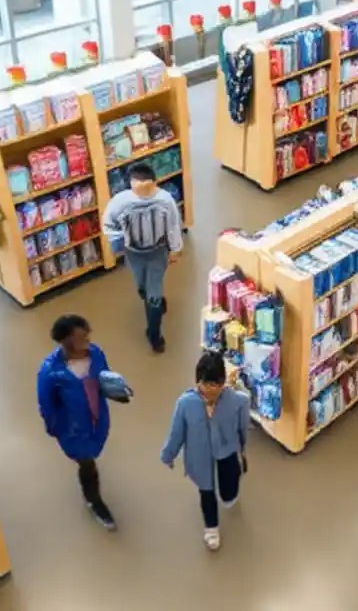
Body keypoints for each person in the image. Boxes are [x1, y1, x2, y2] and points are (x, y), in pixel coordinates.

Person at [160, 351, 251, 551]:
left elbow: (242, 427)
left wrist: (242, 447)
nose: (210, 390)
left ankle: (230, 496)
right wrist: (168, 454)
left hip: (227, 452)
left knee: (230, 484)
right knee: (206, 492)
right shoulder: (185, 404)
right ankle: (211, 528)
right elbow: (177, 432)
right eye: (206, 384)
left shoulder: (237, 401)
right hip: (199, 457)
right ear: (197, 381)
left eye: (216, 385)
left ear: (223, 382)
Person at [36, 315, 117, 530]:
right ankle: (94, 500)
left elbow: (105, 378)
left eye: (87, 334)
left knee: (94, 451)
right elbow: (47, 406)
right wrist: (57, 430)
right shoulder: (50, 372)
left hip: (97, 420)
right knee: (87, 463)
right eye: (81, 337)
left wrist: (118, 390)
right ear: (66, 341)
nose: (87, 340)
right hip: (73, 430)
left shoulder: (96, 354)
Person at [102, 163, 183, 353]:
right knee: (142, 289)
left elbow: (173, 225)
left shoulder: (165, 200)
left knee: (152, 295)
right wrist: (117, 243)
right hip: (134, 254)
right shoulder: (120, 202)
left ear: (155, 183)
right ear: (131, 185)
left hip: (157, 253)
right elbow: (108, 223)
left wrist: (175, 249)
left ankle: (154, 335)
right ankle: (155, 298)